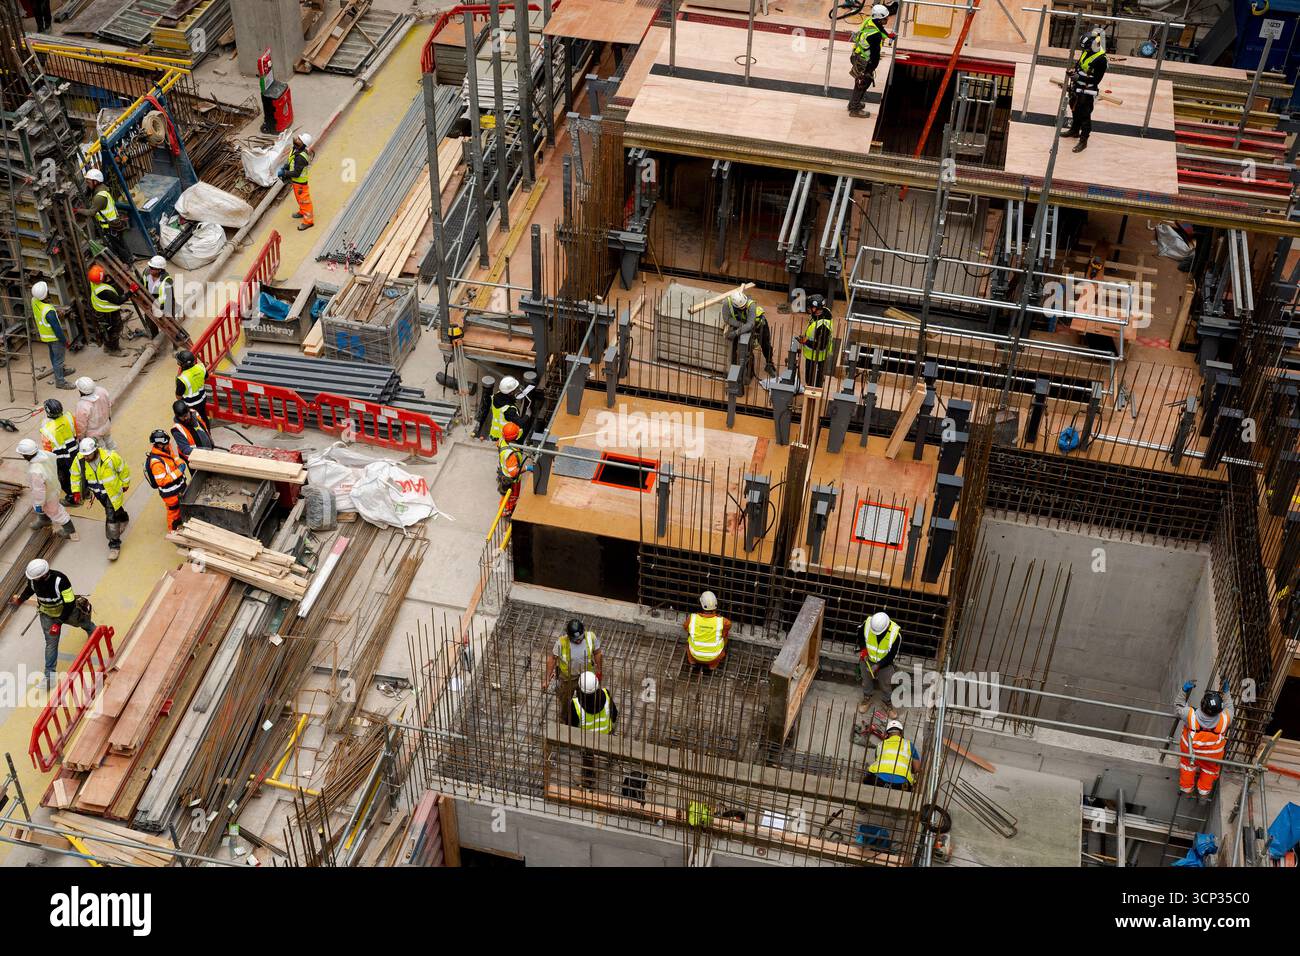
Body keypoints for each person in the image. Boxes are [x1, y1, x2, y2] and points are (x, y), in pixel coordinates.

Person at [12, 559, 97, 688]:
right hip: (47, 614)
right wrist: (19, 601)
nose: (34, 580)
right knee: (51, 644)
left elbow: (69, 603)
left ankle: (92, 630)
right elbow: (29, 590)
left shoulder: (61, 580)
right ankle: (49, 677)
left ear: (44, 575)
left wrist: (59, 622)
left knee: (83, 623)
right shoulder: (33, 580)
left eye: (36, 578)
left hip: (67, 612)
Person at [70, 437, 131, 561]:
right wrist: (76, 491)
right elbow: (75, 475)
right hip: (99, 493)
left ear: (95, 450)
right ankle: (124, 518)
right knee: (114, 509)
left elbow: (123, 469)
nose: (86, 458)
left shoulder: (110, 457)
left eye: (88, 455)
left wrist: (125, 483)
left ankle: (114, 545)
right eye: (84, 455)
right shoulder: (79, 460)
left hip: (112, 492)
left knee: (110, 516)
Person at [1175, 679, 1233, 800]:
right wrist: (1226, 693)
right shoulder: (1225, 719)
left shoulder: (1190, 714)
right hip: (1211, 757)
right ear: (1219, 710)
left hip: (1191, 752)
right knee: (1209, 772)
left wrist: (1184, 690)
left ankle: (1187, 792)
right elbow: (1230, 708)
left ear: (1202, 704)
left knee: (1187, 767)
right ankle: (1203, 797)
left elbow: (1178, 705)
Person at [15, 438, 77, 541]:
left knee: (56, 512)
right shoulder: (45, 455)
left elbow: (39, 492)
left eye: (22, 454)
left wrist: (39, 504)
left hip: (48, 495)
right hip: (53, 486)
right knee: (43, 507)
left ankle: (70, 531)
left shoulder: (35, 471)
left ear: (26, 455)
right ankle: (44, 520)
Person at [543, 618, 604, 716]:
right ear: (569, 636)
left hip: (586, 676)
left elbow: (597, 653)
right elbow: (552, 659)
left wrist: (599, 670)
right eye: (575, 639)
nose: (579, 641)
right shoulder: (562, 642)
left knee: (587, 699)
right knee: (565, 701)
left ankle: (584, 716)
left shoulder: (590, 637)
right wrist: (547, 679)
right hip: (568, 678)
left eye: (580, 638)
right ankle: (565, 718)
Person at [1062, 31, 1108, 154]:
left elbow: (1096, 80)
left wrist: (1080, 78)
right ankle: (1074, 130)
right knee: (1074, 109)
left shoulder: (1101, 60)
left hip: (1087, 91)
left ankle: (1084, 140)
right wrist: (1074, 71)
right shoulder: (1087, 50)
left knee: (1085, 116)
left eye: (1087, 48)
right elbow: (1080, 64)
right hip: (1077, 87)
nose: (1085, 50)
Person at [848, 5, 894, 118]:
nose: (887, 19)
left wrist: (888, 35)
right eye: (885, 18)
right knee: (863, 83)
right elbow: (875, 56)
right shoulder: (875, 36)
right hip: (864, 61)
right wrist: (870, 69)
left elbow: (880, 28)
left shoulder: (870, 21)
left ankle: (853, 104)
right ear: (879, 19)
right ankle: (854, 109)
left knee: (860, 81)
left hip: (857, 55)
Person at [30, 281, 75, 390]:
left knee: (54, 356)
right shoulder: (49, 311)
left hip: (45, 336)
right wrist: (65, 341)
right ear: (46, 294)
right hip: (55, 338)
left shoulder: (34, 300)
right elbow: (57, 329)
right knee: (58, 359)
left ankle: (60, 372)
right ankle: (60, 381)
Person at [723, 289, 776, 380]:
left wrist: (736, 332)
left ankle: (769, 363)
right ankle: (748, 371)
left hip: (759, 324)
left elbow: (750, 324)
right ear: (734, 305)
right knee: (747, 348)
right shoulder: (726, 303)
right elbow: (727, 319)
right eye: (741, 307)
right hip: (743, 324)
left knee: (765, 345)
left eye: (744, 306)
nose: (743, 308)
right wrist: (741, 326)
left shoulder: (751, 305)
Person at [144, 430, 187, 532]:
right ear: (159, 445)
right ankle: (173, 531)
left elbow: (173, 457)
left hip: (178, 487)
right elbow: (162, 481)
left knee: (181, 508)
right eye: (166, 444)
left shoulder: (166, 449)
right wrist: (179, 472)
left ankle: (183, 521)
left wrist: (180, 463)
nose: (169, 445)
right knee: (174, 513)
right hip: (171, 494)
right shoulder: (156, 463)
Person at [860, 611, 901, 715]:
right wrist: (864, 651)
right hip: (867, 659)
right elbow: (860, 636)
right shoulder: (868, 624)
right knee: (866, 680)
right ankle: (867, 698)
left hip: (885, 663)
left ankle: (886, 702)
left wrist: (878, 665)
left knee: (886, 683)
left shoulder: (895, 635)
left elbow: (892, 655)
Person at [39, 398, 78, 502]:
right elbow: (76, 432)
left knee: (65, 478)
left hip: (60, 458)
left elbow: (47, 448)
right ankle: (85, 490)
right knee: (79, 471)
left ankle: (71, 497)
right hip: (74, 450)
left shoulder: (46, 427)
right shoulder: (69, 417)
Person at [864, 719, 921, 790]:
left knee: (866, 780)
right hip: (901, 784)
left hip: (877, 780)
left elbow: (878, 760)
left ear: (887, 734)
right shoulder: (909, 745)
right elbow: (917, 769)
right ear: (901, 733)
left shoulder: (880, 745)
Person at [84, 168, 127, 260]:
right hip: (114, 223)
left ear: (95, 182)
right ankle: (127, 259)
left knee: (118, 247)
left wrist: (77, 210)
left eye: (88, 182)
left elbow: (91, 213)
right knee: (120, 244)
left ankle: (127, 262)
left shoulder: (99, 197)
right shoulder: (102, 189)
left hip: (111, 226)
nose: (87, 184)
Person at [684, 590, 731, 670]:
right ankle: (712, 666)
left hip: (694, 655)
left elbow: (685, 627)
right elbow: (729, 625)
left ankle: (692, 662)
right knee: (725, 634)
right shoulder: (722, 621)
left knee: (690, 634)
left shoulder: (692, 618)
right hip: (714, 657)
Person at [86, 265, 125, 355]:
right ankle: (113, 350)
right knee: (115, 329)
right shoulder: (103, 291)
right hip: (108, 313)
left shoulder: (93, 282)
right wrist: (131, 291)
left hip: (100, 311)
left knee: (106, 330)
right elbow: (119, 300)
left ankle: (108, 347)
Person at [279, 132, 315, 231]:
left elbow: (296, 173)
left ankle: (308, 222)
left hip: (301, 184)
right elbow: (291, 160)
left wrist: (285, 173)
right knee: (299, 199)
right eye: (298, 137)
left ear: (303, 144)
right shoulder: (295, 149)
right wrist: (287, 166)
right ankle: (302, 211)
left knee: (305, 201)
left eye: (299, 139)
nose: (297, 139)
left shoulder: (301, 157)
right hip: (296, 183)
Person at [797, 294, 834, 388]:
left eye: (810, 307)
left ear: (815, 309)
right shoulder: (822, 312)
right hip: (812, 354)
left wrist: (806, 341)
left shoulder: (823, 326)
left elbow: (821, 346)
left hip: (817, 357)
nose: (808, 309)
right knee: (812, 378)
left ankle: (812, 398)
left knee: (812, 381)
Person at [74, 376, 115, 451]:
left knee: (102, 451)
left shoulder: (82, 406)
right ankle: (115, 455)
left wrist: (81, 438)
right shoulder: (102, 391)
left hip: (94, 434)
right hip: (106, 424)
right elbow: (109, 404)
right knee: (109, 441)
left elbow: (81, 426)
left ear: (80, 391)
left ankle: (109, 461)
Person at [497, 421, 528, 518]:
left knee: (506, 496)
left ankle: (506, 509)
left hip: (504, 473)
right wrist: (527, 468)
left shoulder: (502, 440)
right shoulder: (510, 454)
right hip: (511, 480)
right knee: (511, 497)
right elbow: (514, 472)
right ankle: (507, 512)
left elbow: (497, 444)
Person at [175, 348, 209, 428]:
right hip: (202, 399)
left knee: (193, 421)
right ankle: (208, 431)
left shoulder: (182, 379)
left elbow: (178, 397)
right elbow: (207, 378)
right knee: (203, 416)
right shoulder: (201, 367)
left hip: (190, 405)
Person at [143, 255, 172, 336]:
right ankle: (155, 337)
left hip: (162, 304)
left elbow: (167, 297)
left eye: (152, 268)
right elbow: (142, 284)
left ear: (159, 270)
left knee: (168, 324)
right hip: (149, 300)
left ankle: (171, 339)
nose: (150, 269)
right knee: (150, 321)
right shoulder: (146, 272)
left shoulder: (167, 280)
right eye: (150, 266)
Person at [489, 375, 524, 441]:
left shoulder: (496, 396)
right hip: (507, 438)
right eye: (515, 389)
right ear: (511, 392)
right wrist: (528, 415)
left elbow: (506, 399)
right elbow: (521, 422)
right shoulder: (509, 410)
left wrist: (513, 398)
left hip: (494, 434)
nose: (516, 390)